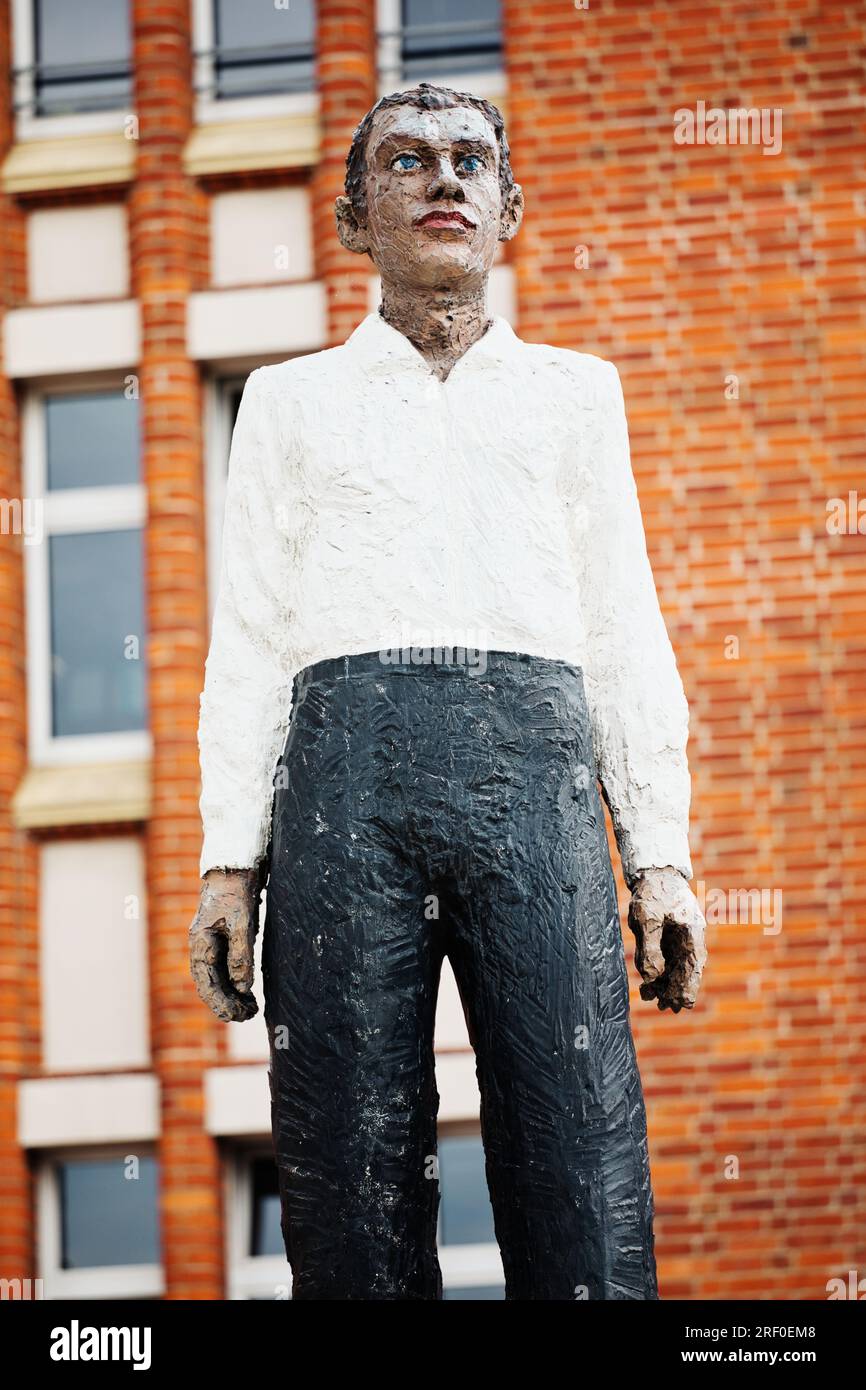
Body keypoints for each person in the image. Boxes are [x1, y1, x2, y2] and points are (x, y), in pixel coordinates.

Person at [189, 82, 707, 1301]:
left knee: (577, 1144)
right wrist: (229, 860)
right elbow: (251, 635)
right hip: (341, 793)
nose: (443, 179)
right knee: (344, 1156)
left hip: (535, 785)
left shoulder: (574, 395)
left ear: (508, 205)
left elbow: (621, 620)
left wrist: (662, 856)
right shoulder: (286, 402)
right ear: (353, 217)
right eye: (408, 159)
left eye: (471, 160)